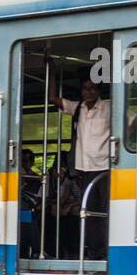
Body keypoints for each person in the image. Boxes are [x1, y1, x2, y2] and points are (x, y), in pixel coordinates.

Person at [51, 78, 111, 256]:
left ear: (99, 90)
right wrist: (51, 68)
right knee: (89, 213)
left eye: (92, 88)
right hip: (85, 170)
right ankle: (94, 252)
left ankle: (109, 251)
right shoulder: (77, 108)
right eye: (85, 88)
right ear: (81, 91)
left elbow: (132, 122)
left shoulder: (110, 108)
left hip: (106, 168)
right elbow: (53, 99)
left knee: (106, 211)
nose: (89, 91)